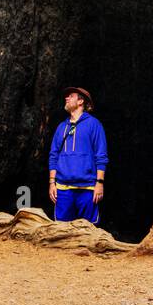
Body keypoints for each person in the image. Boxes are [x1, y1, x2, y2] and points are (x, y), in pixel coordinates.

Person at [48, 86, 108, 224]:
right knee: (61, 230)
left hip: (87, 188)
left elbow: (101, 156)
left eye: (71, 96)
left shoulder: (94, 125)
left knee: (88, 232)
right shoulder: (61, 127)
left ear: (81, 101)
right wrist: (52, 183)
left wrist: (99, 183)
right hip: (63, 189)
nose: (66, 98)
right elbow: (53, 156)